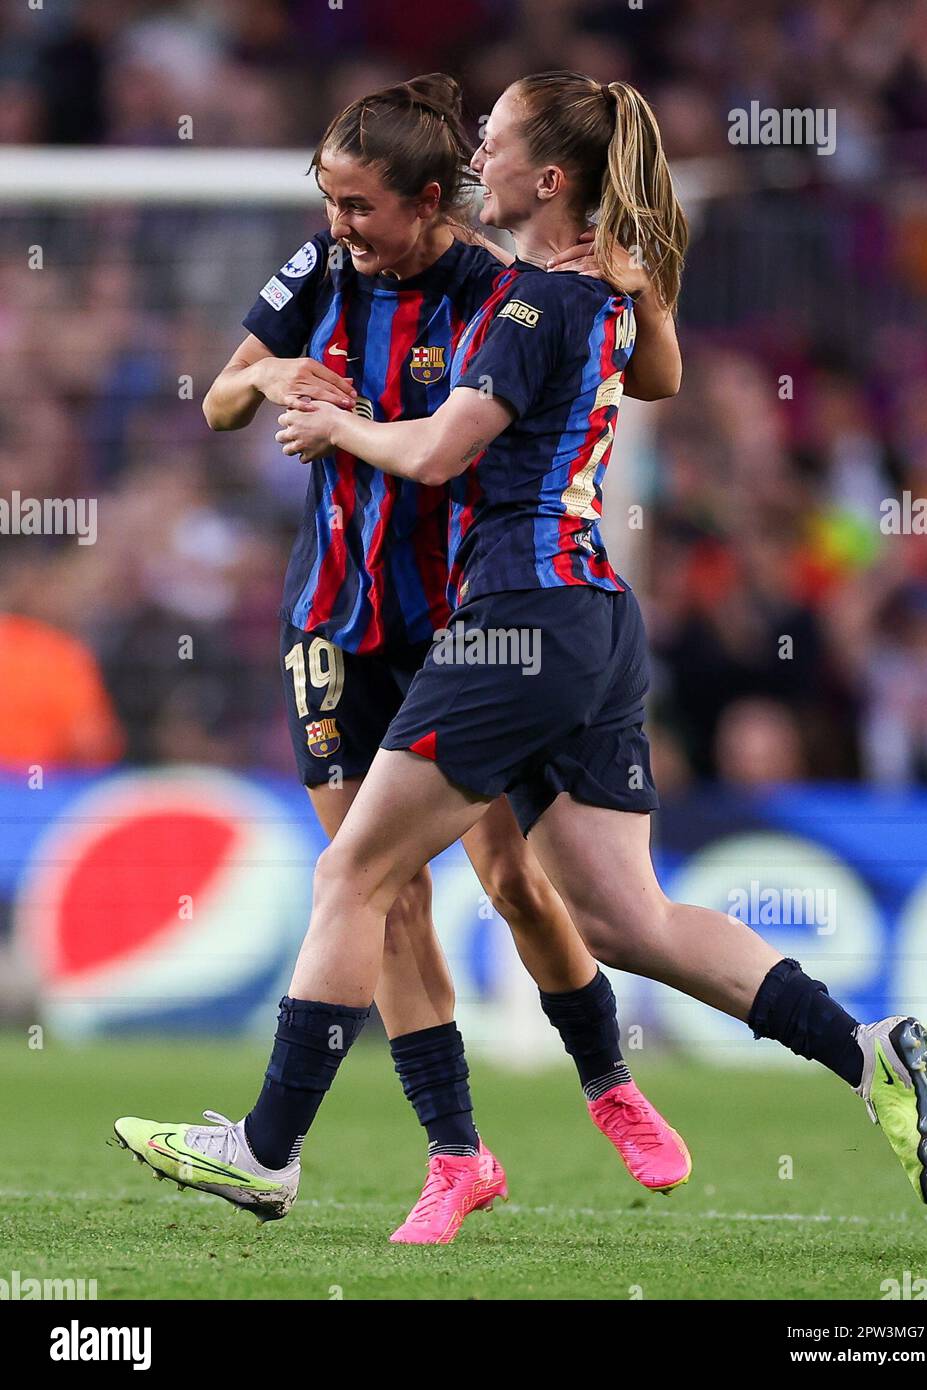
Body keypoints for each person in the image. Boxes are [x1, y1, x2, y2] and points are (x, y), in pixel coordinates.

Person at [114, 74, 689, 1245]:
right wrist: (271, 376)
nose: (339, 226)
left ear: (430, 203)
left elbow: (610, 375)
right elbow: (220, 400)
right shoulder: (318, 271)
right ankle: (456, 1152)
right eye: (328, 202)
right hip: (330, 623)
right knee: (379, 893)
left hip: (452, 622)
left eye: (359, 206)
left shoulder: (499, 285)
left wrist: (643, 292)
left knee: (514, 880)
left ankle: (610, 1084)